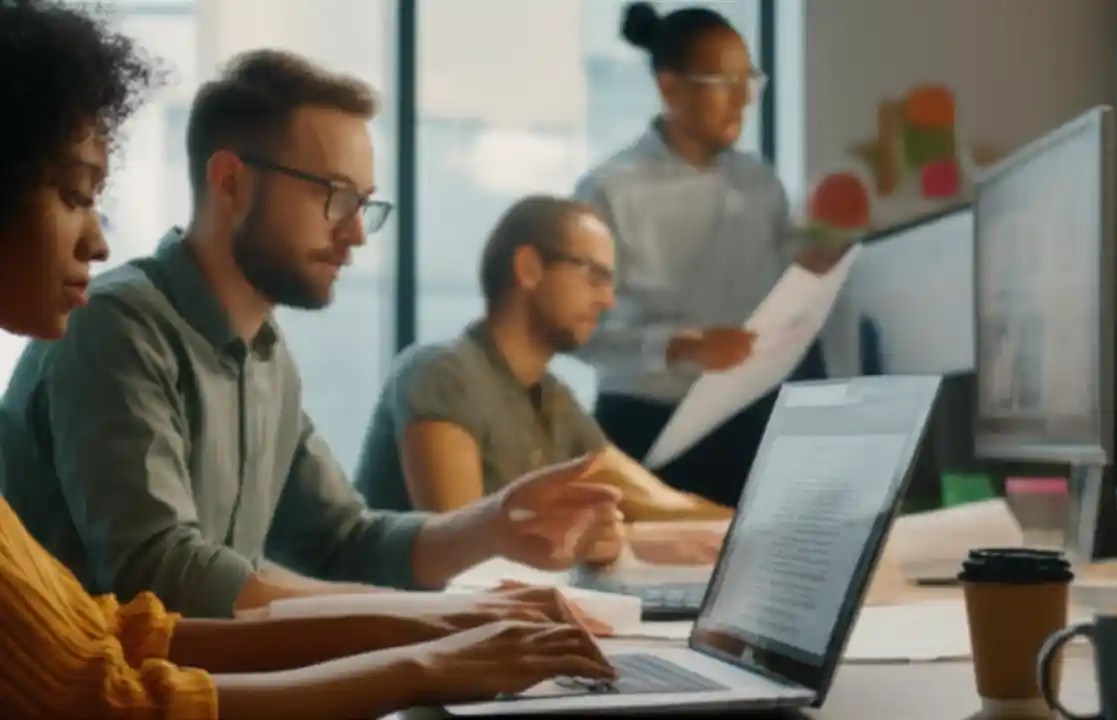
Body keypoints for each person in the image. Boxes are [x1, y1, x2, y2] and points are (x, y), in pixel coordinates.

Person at [0, 1, 613, 717]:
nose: (356, 233)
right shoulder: (114, 324)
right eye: (334, 197)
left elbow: (338, 541)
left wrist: (487, 532)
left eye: (365, 205)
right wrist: (432, 637)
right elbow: (163, 581)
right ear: (229, 182)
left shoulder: (267, 356)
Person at [354, 196, 730, 565]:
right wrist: (586, 540)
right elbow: (460, 552)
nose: (608, 300)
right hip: (419, 623)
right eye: (594, 276)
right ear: (530, 267)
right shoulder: (441, 372)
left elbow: (658, 502)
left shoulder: (552, 398)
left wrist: (751, 529)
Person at [574, 3, 843, 508]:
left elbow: (787, 284)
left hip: (752, 420)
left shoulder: (759, 182)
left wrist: (818, 262)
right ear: (670, 87)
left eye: (749, 80)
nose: (742, 99)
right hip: (646, 424)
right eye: (723, 80)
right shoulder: (608, 190)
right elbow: (576, 334)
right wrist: (677, 347)